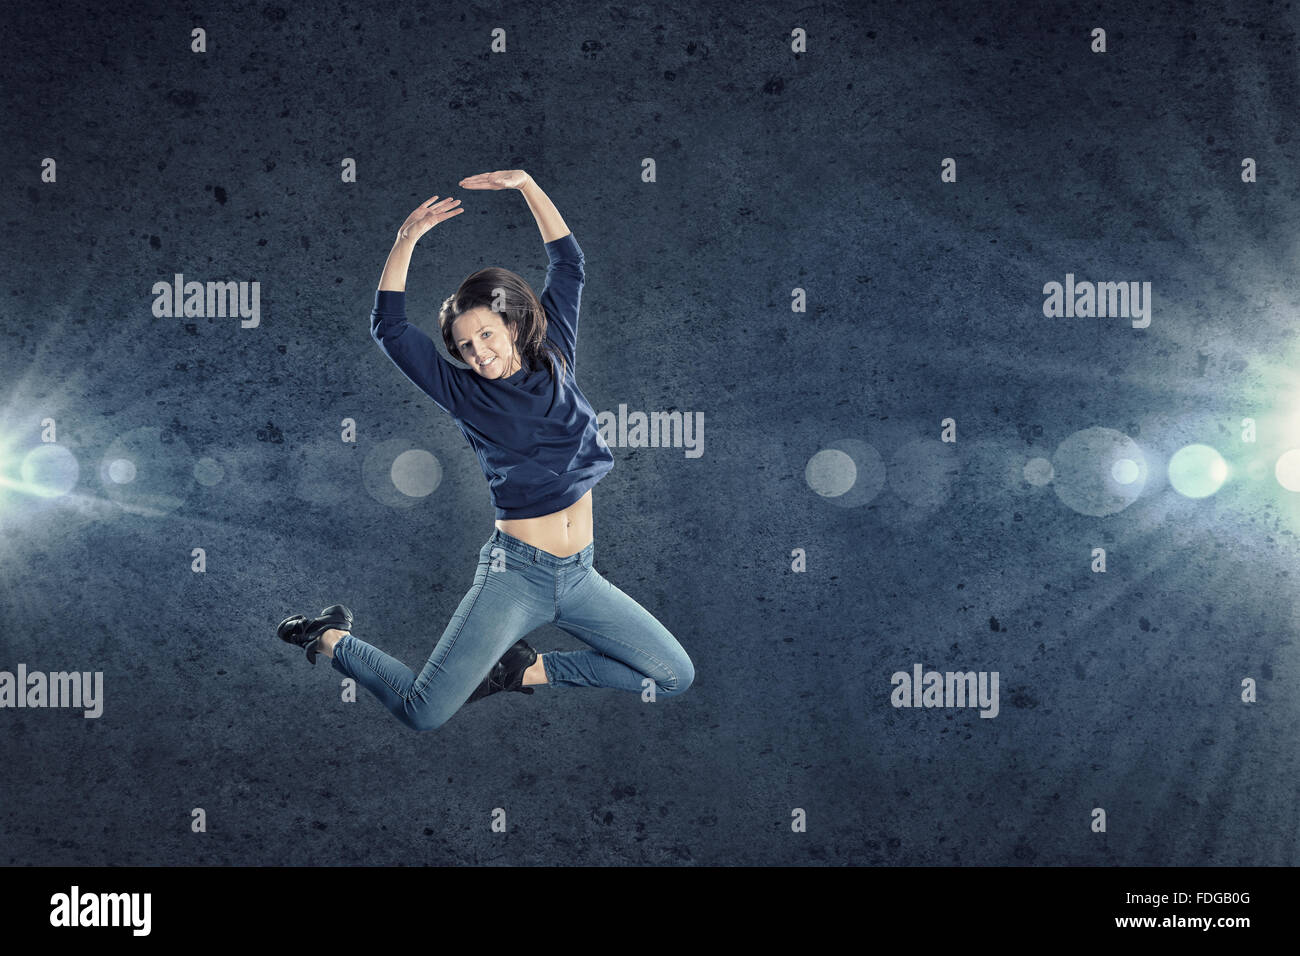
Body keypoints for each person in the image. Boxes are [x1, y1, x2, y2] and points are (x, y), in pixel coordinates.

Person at [276, 170, 694, 731]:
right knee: (422, 711)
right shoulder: (464, 394)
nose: (479, 353)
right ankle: (330, 637)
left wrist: (527, 186)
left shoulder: (557, 355)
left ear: (514, 325)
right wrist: (405, 242)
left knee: (671, 674)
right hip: (515, 576)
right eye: (466, 346)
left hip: (581, 576)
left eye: (487, 336)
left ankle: (524, 673)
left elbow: (569, 264)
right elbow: (389, 327)